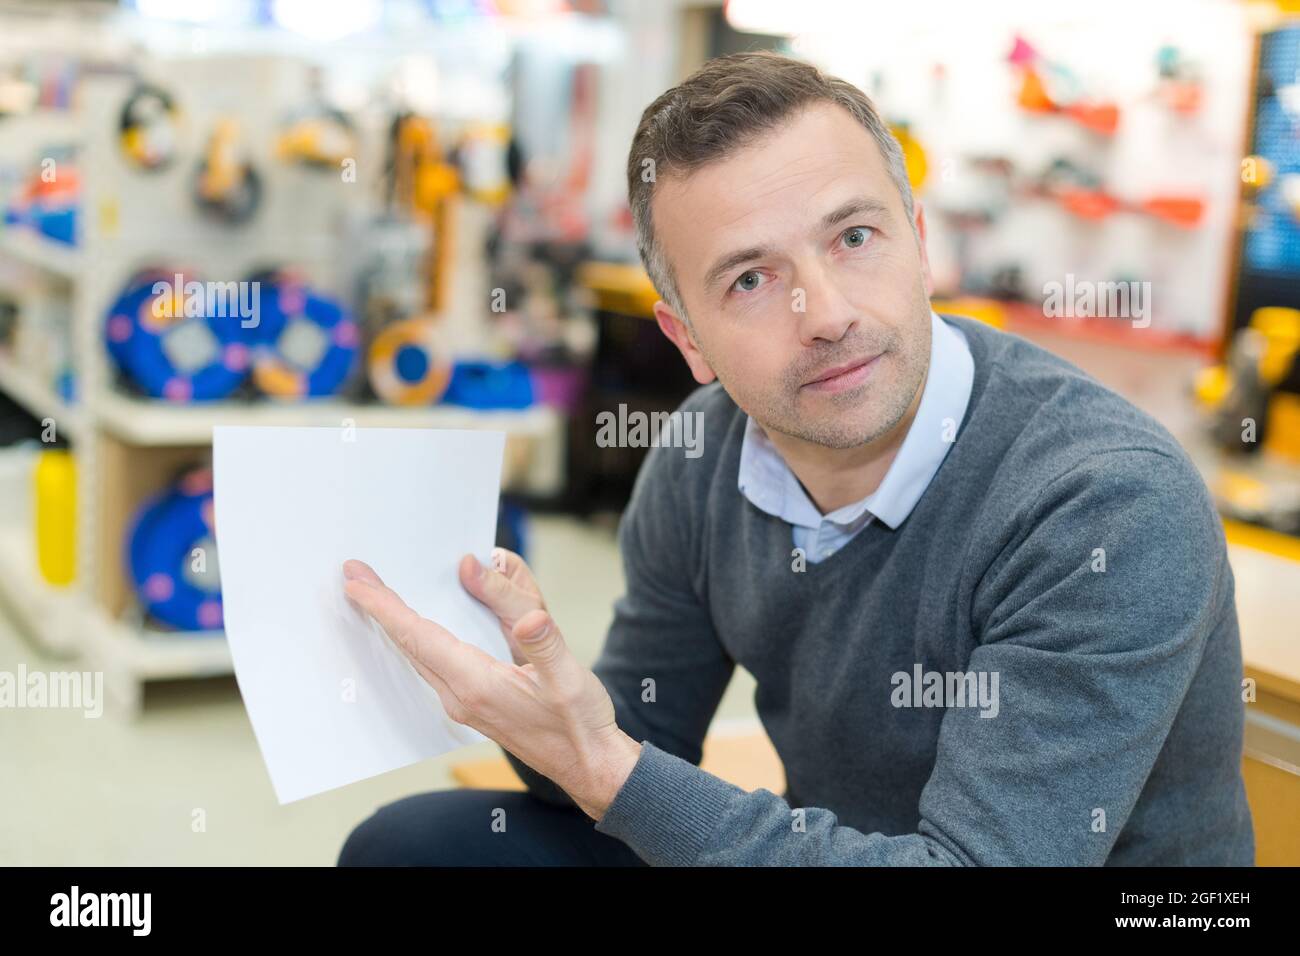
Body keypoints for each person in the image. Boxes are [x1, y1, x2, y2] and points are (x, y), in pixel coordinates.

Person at [338, 51, 1254, 866]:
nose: (827, 313)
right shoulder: (702, 461)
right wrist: (517, 690)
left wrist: (603, 763)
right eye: (750, 279)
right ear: (687, 338)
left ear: (920, 243)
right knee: (413, 846)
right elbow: (637, 741)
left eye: (853, 238)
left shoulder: (1103, 503)